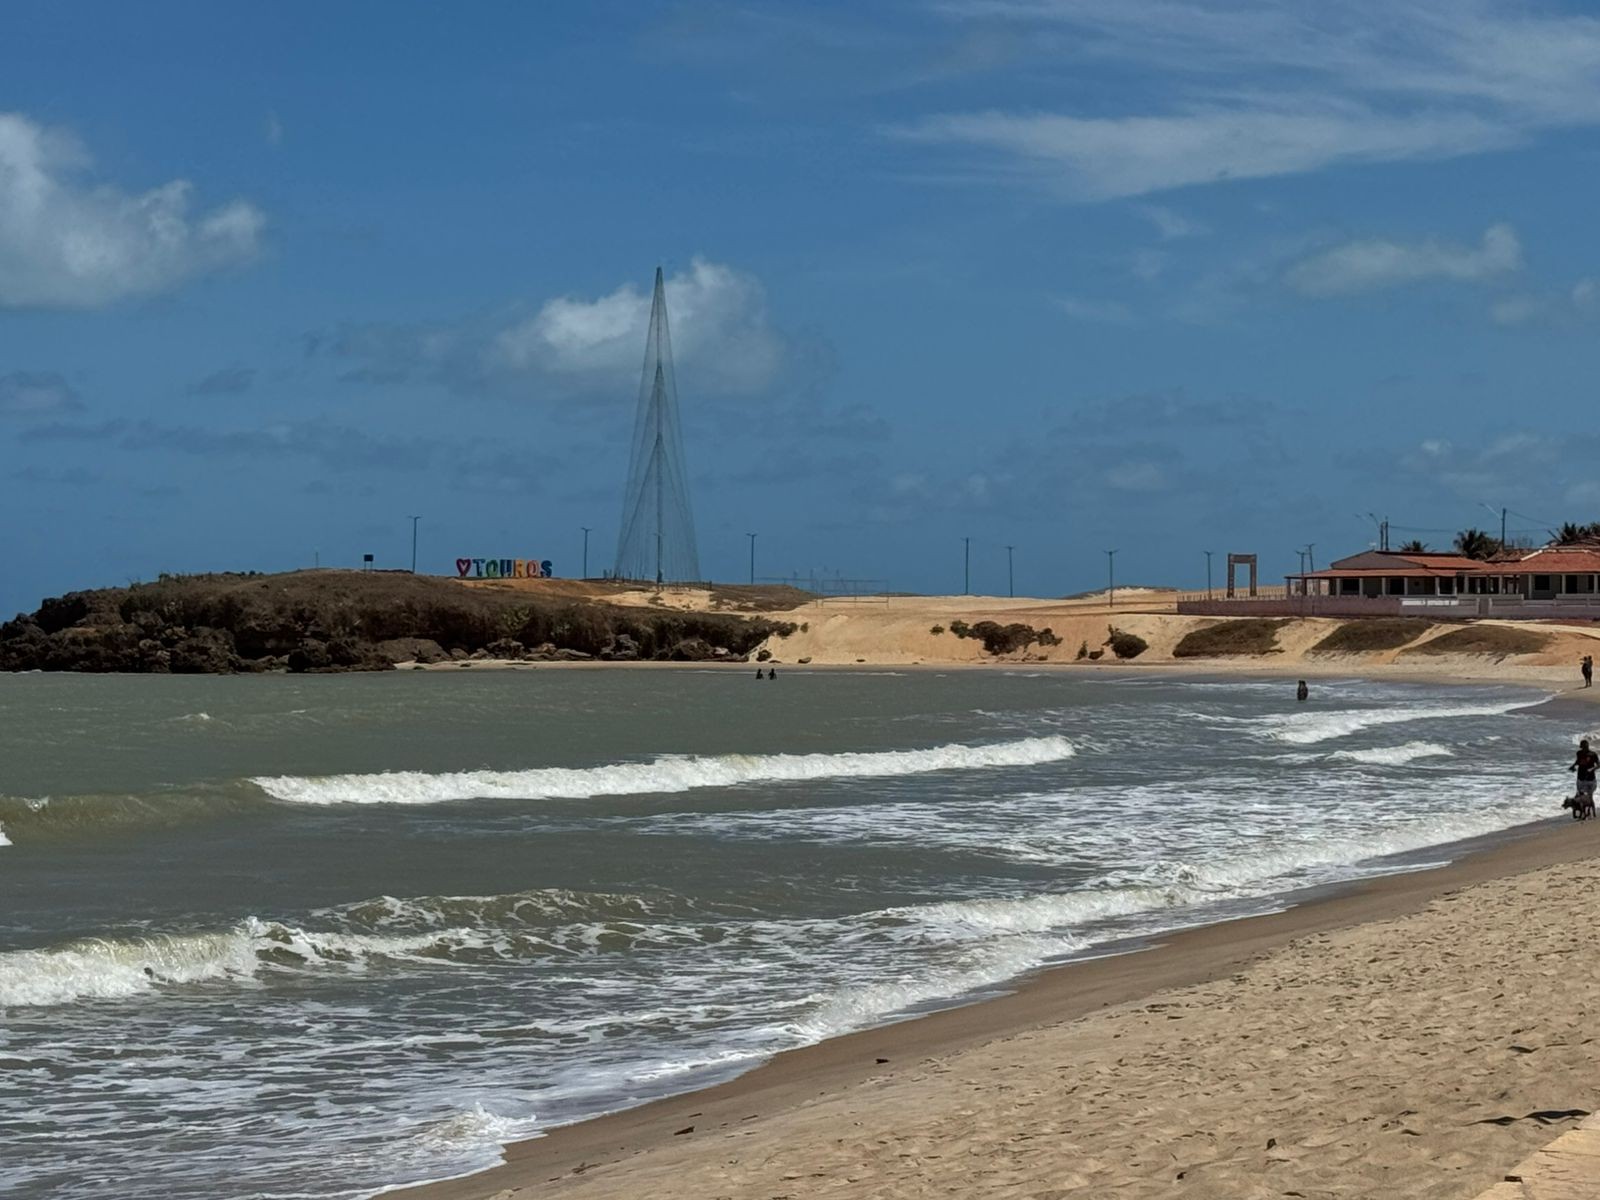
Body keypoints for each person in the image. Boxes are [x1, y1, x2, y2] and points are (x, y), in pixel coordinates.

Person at [1568, 738, 1598, 818]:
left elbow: (1598, 765)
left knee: (1589, 797)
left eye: (1586, 747)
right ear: (1581, 747)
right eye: (1583, 747)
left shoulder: (1593, 754)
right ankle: (1582, 813)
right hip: (1580, 778)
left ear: (1588, 746)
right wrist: (1573, 766)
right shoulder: (1579, 753)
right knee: (1580, 796)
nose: (1585, 748)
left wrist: (1592, 769)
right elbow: (1578, 761)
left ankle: (1592, 813)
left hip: (1591, 779)